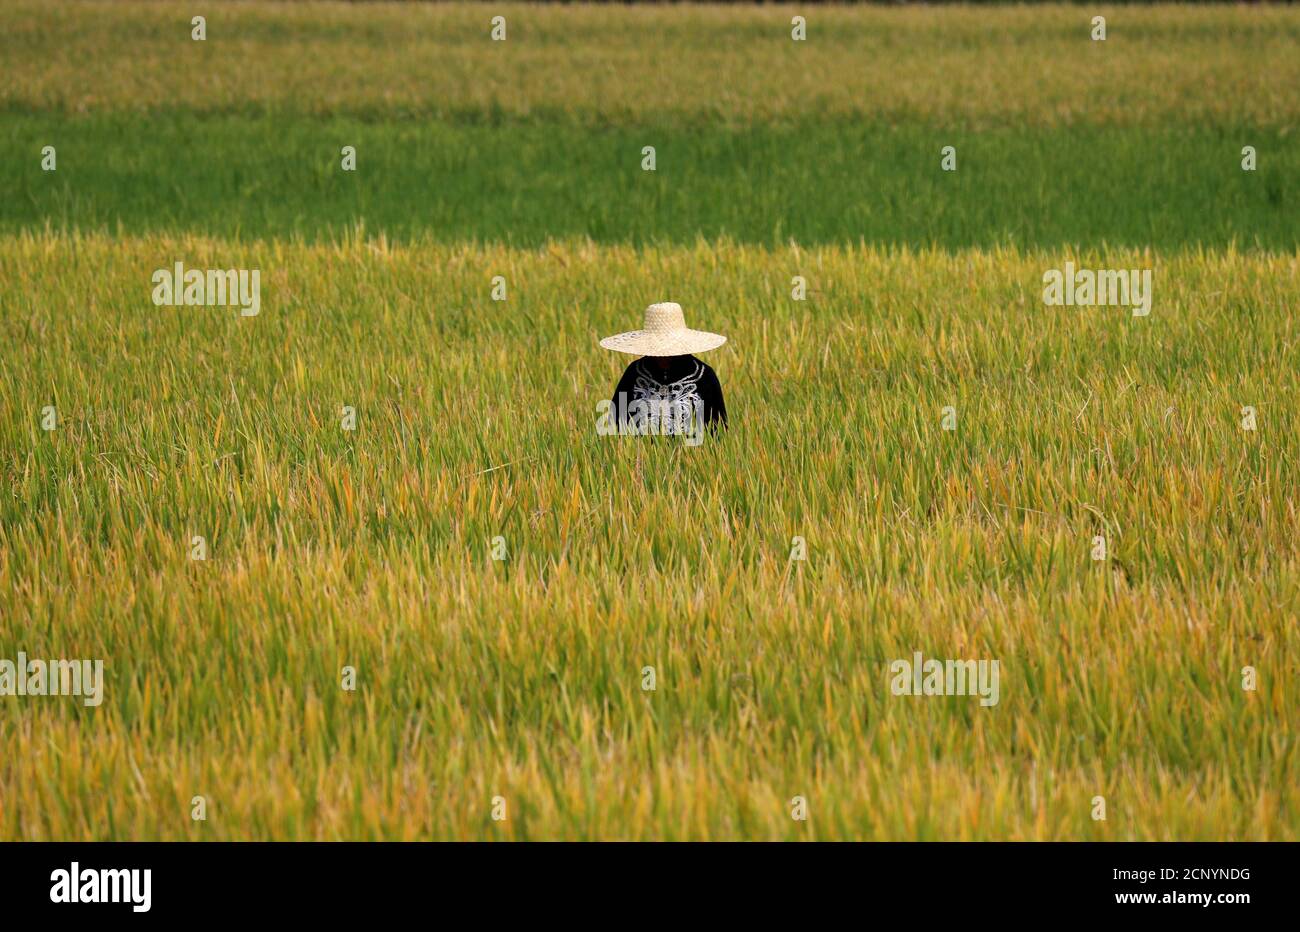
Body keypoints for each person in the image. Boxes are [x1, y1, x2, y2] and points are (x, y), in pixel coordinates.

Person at [601, 302, 727, 437]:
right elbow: (616, 424)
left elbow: (718, 429)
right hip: (639, 456)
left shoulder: (703, 376)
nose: (663, 356)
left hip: (693, 453)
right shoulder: (634, 373)